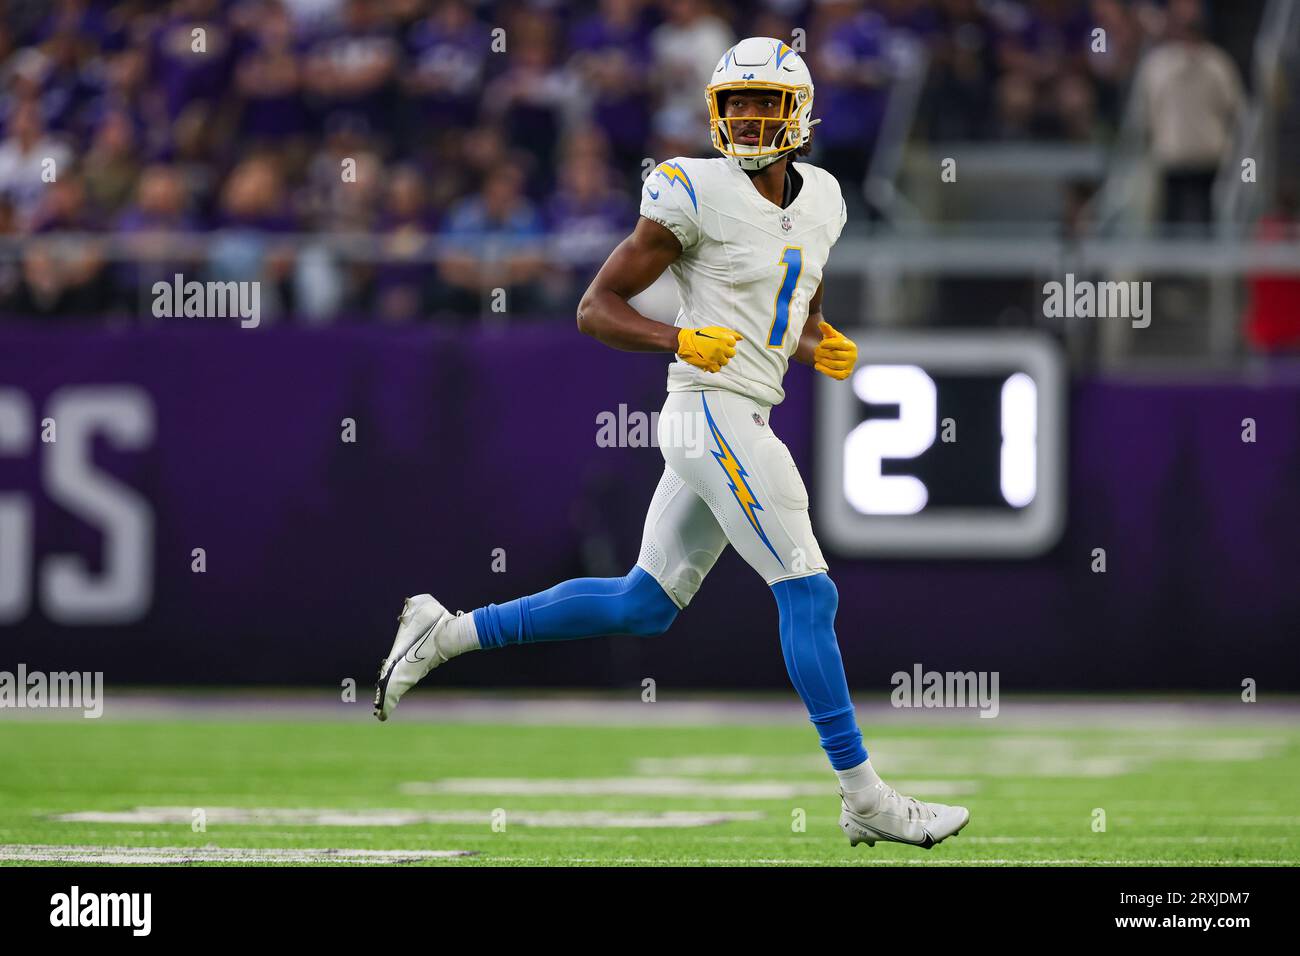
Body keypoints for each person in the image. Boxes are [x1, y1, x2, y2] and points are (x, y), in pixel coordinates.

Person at [373, 36, 970, 851]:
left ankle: (444, 631)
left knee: (643, 603)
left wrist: (813, 341)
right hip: (707, 409)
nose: (752, 119)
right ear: (716, 113)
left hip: (739, 406)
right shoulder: (692, 188)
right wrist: (677, 339)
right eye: (739, 104)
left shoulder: (824, 196)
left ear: (799, 114)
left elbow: (789, 294)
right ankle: (864, 796)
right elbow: (595, 306)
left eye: (767, 103)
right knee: (809, 592)